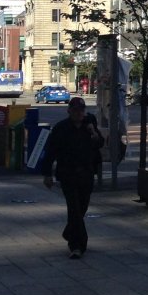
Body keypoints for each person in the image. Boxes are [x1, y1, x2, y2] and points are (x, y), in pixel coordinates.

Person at [42, 97, 104, 259]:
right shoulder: (61, 128)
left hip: (87, 173)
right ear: (69, 111)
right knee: (74, 209)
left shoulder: (89, 126)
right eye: (75, 110)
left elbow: (100, 144)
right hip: (68, 174)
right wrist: (47, 174)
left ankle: (69, 231)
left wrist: (94, 133)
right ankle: (77, 246)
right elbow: (50, 152)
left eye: (81, 110)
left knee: (82, 207)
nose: (78, 113)